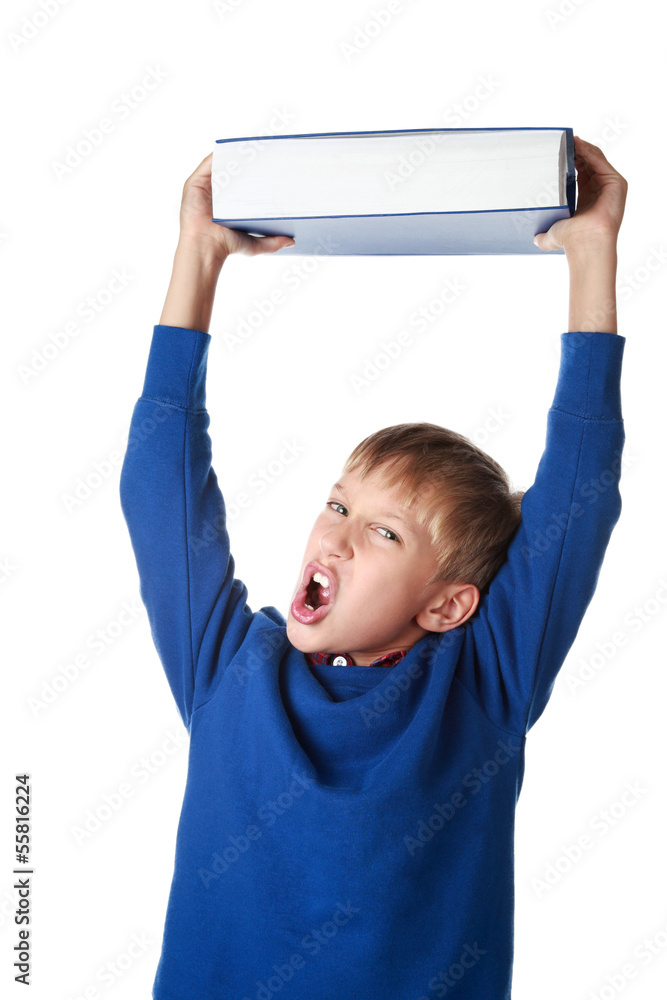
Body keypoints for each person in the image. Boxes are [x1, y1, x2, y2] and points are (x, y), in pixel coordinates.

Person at [119, 136, 628, 998]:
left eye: (385, 535)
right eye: (338, 503)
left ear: (448, 605)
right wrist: (197, 258)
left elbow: (579, 488)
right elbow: (159, 492)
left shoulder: (481, 689)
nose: (338, 536)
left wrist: (592, 256)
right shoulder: (228, 667)